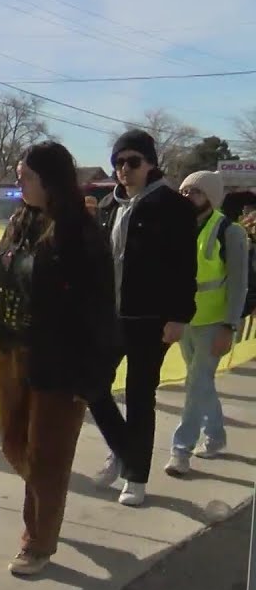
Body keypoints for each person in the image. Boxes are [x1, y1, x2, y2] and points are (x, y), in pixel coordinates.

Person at [0, 141, 117, 576]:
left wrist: (92, 380)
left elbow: (100, 312)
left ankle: (39, 542)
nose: (18, 181)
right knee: (13, 442)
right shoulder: (21, 223)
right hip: (11, 351)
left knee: (47, 455)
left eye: (24, 175)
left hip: (59, 363)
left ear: (49, 180)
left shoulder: (81, 234)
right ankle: (46, 513)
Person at [88, 130, 197, 507]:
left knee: (139, 395)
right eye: (119, 162)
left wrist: (180, 316)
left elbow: (185, 267)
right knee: (92, 385)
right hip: (111, 317)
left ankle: (136, 478)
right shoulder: (108, 207)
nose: (124, 169)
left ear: (150, 163)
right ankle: (122, 450)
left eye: (133, 161)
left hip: (151, 319)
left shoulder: (172, 206)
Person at [166, 170, 249, 475]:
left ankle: (181, 449)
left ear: (211, 197)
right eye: (185, 191)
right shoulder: (178, 227)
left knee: (196, 382)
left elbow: (239, 284)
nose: (188, 197)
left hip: (215, 321)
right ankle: (215, 436)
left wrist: (229, 326)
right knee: (200, 381)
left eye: (196, 192)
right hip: (185, 319)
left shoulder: (230, 231)